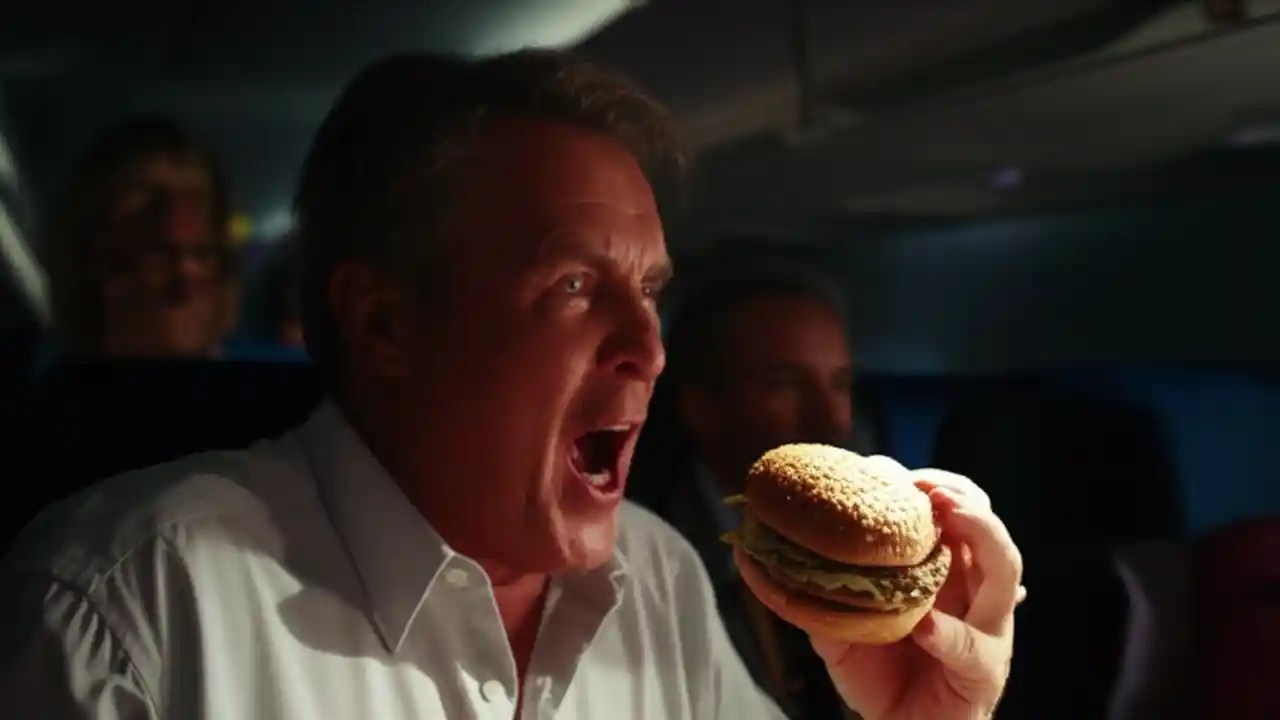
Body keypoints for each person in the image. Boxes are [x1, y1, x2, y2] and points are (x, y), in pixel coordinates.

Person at [0, 50, 1022, 719]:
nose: (648, 349)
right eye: (574, 286)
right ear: (384, 323)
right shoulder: (127, 610)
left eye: (651, 295)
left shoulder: (658, 580)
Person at [635, 259, 858, 717]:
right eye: (786, 384)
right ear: (701, 408)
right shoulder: (646, 569)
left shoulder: (864, 557)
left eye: (839, 384)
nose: (830, 419)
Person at [43, 116, 240, 360]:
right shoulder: (50, 395)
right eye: (150, 205)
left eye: (200, 254)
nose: (180, 225)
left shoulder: (251, 393)